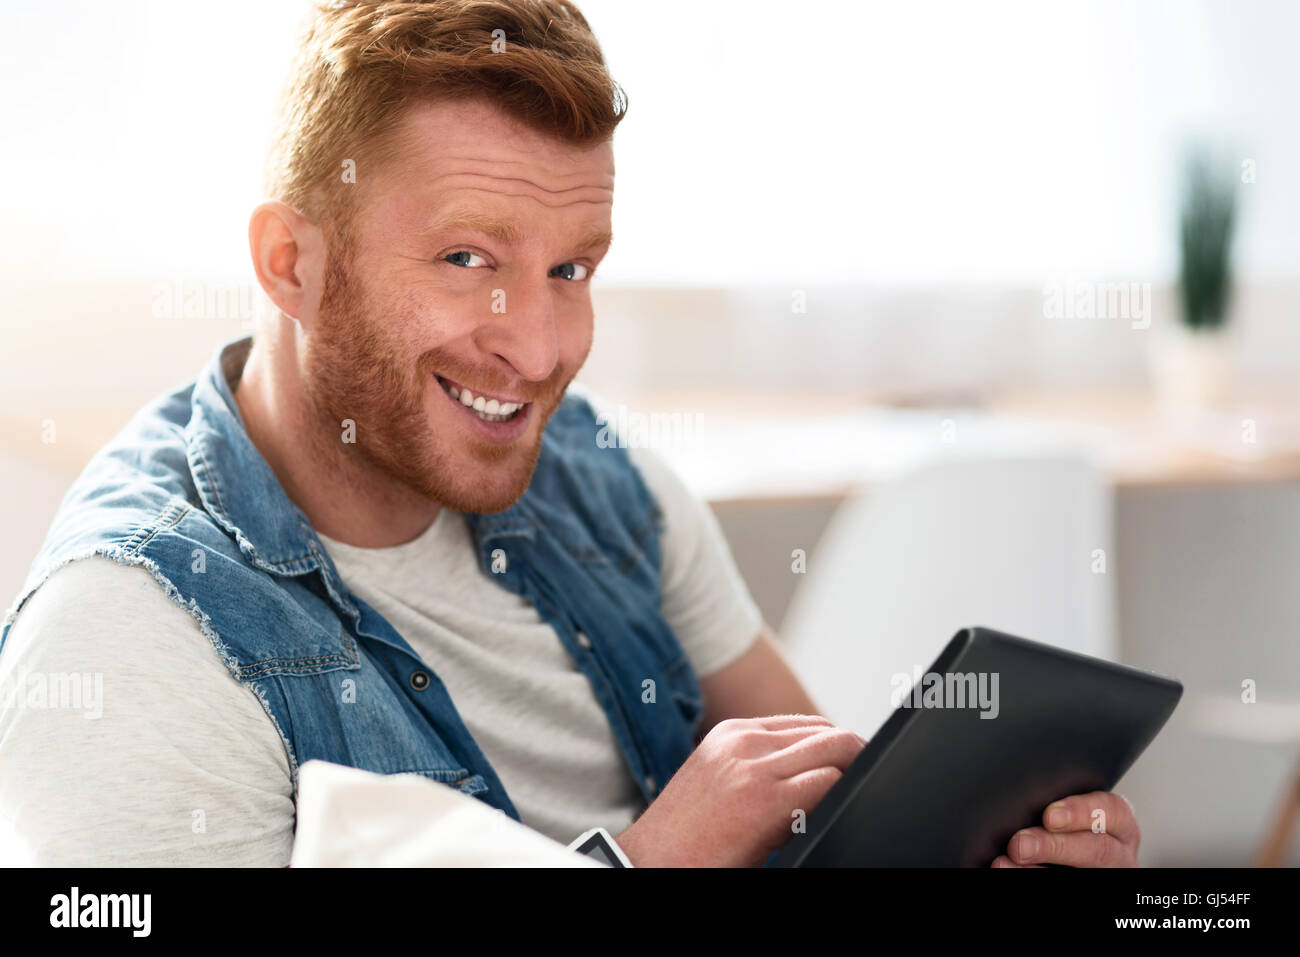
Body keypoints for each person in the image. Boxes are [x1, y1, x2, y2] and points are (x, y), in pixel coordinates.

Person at [0, 0, 1139, 868]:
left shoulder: (611, 489)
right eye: (466, 260)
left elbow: (836, 826)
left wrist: (970, 845)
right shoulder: (134, 636)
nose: (538, 349)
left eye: (570, 269)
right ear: (290, 263)